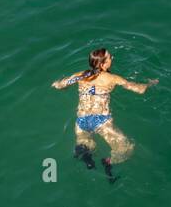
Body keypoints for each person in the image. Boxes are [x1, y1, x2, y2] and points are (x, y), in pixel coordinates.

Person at [52, 48, 157, 182]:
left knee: (86, 146)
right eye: (110, 58)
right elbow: (139, 89)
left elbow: (60, 85)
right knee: (126, 149)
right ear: (102, 64)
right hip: (101, 120)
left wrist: (59, 84)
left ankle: (86, 157)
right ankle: (108, 162)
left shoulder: (81, 75)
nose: (112, 58)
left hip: (81, 121)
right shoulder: (112, 78)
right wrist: (150, 83)